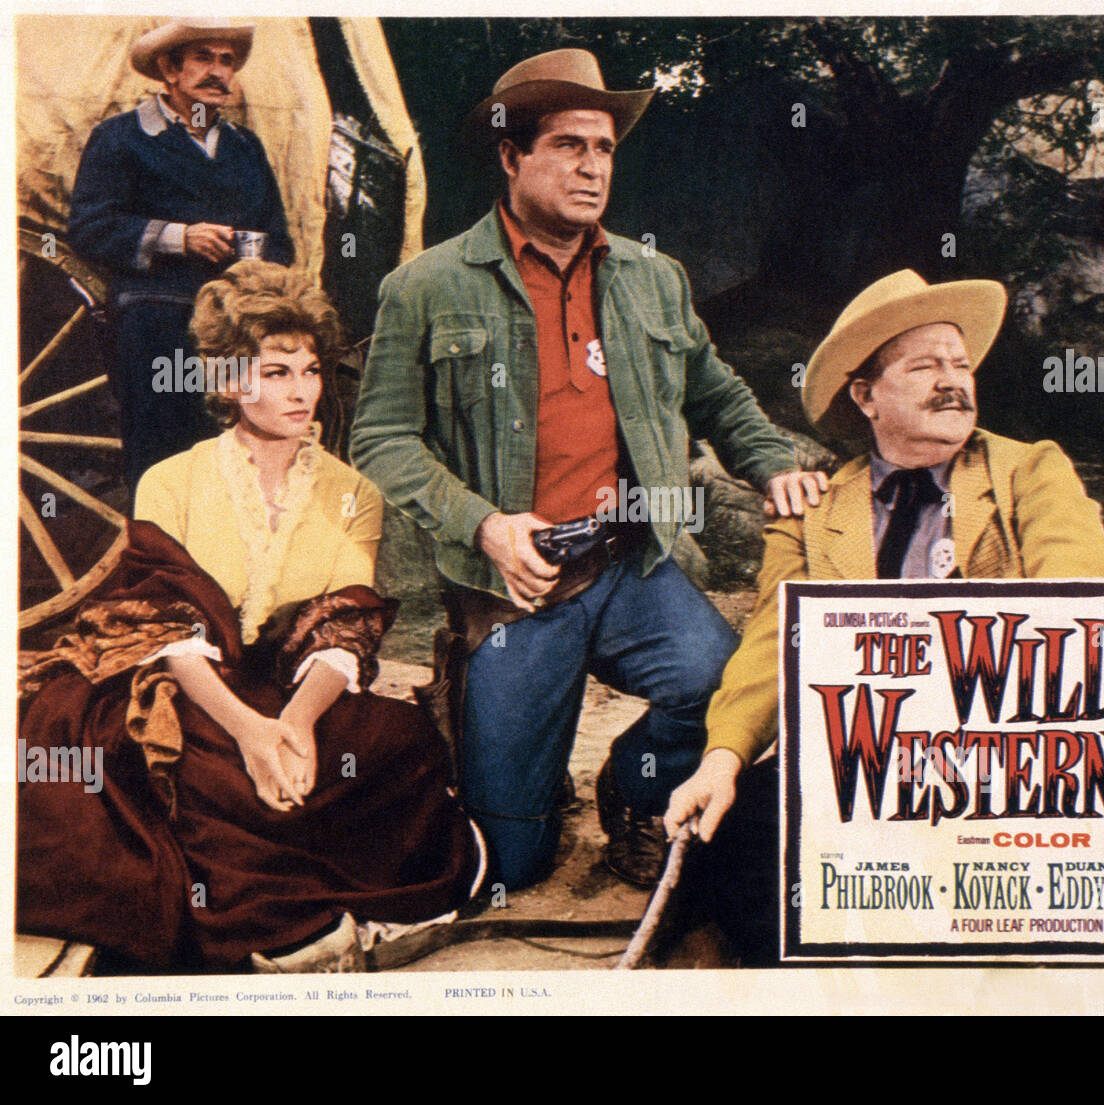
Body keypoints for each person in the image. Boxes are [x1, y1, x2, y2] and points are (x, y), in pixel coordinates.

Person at [350, 48, 827, 891]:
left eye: (604, 149)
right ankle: (490, 738)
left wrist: (771, 462)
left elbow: (714, 392)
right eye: (569, 145)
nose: (592, 167)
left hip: (626, 563)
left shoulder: (653, 279)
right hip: (514, 588)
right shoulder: (424, 287)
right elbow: (380, 439)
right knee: (516, 861)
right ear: (511, 155)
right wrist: (485, 526)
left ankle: (632, 786)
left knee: (728, 686)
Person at [18, 261, 483, 973]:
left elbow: (345, 628)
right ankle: (281, 921)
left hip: (286, 687)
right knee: (192, 764)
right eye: (275, 372)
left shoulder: (355, 491)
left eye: (311, 370)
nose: (302, 391)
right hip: (189, 685)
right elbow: (166, 629)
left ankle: (298, 868)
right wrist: (251, 732)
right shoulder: (169, 481)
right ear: (230, 380)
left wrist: (291, 724)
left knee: (400, 740)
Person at [663, 269, 1104, 961]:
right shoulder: (814, 507)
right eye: (925, 364)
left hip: (999, 759)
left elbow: (1077, 598)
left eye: (961, 364)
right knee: (735, 840)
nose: (953, 380)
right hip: (859, 757)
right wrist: (723, 757)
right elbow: (770, 644)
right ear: (865, 395)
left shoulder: (1030, 471)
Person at [67, 19, 293, 492]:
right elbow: (90, 228)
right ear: (170, 69)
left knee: (233, 454)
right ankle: (161, 559)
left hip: (236, 329)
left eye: (227, 61)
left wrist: (257, 259)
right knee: (164, 459)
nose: (219, 72)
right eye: (204, 58)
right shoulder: (121, 137)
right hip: (157, 323)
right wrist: (178, 237)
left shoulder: (244, 147)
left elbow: (279, 239)